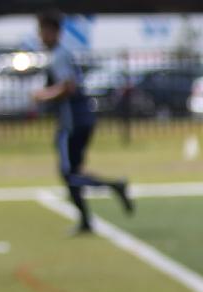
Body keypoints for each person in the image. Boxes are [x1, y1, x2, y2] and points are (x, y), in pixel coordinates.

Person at [33, 9, 131, 236]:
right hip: (78, 121)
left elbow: (68, 87)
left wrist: (42, 95)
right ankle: (86, 220)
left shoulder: (59, 56)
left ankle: (114, 186)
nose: (41, 36)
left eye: (44, 31)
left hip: (72, 124)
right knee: (73, 173)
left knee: (69, 174)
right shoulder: (59, 55)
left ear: (54, 32)